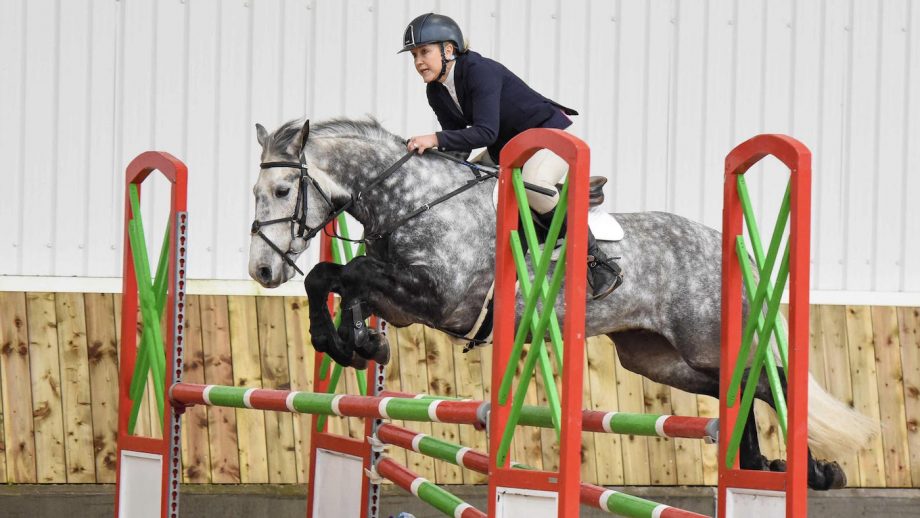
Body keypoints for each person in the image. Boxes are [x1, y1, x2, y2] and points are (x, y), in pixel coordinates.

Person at [400, 13, 622, 299]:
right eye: (414, 55)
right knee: (467, 184)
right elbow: (460, 144)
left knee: (531, 186)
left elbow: (485, 132)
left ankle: (597, 261)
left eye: (424, 52)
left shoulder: (480, 71)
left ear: (449, 50)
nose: (418, 61)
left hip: (548, 136)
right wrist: (433, 167)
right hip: (508, 148)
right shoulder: (436, 91)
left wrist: (433, 139)